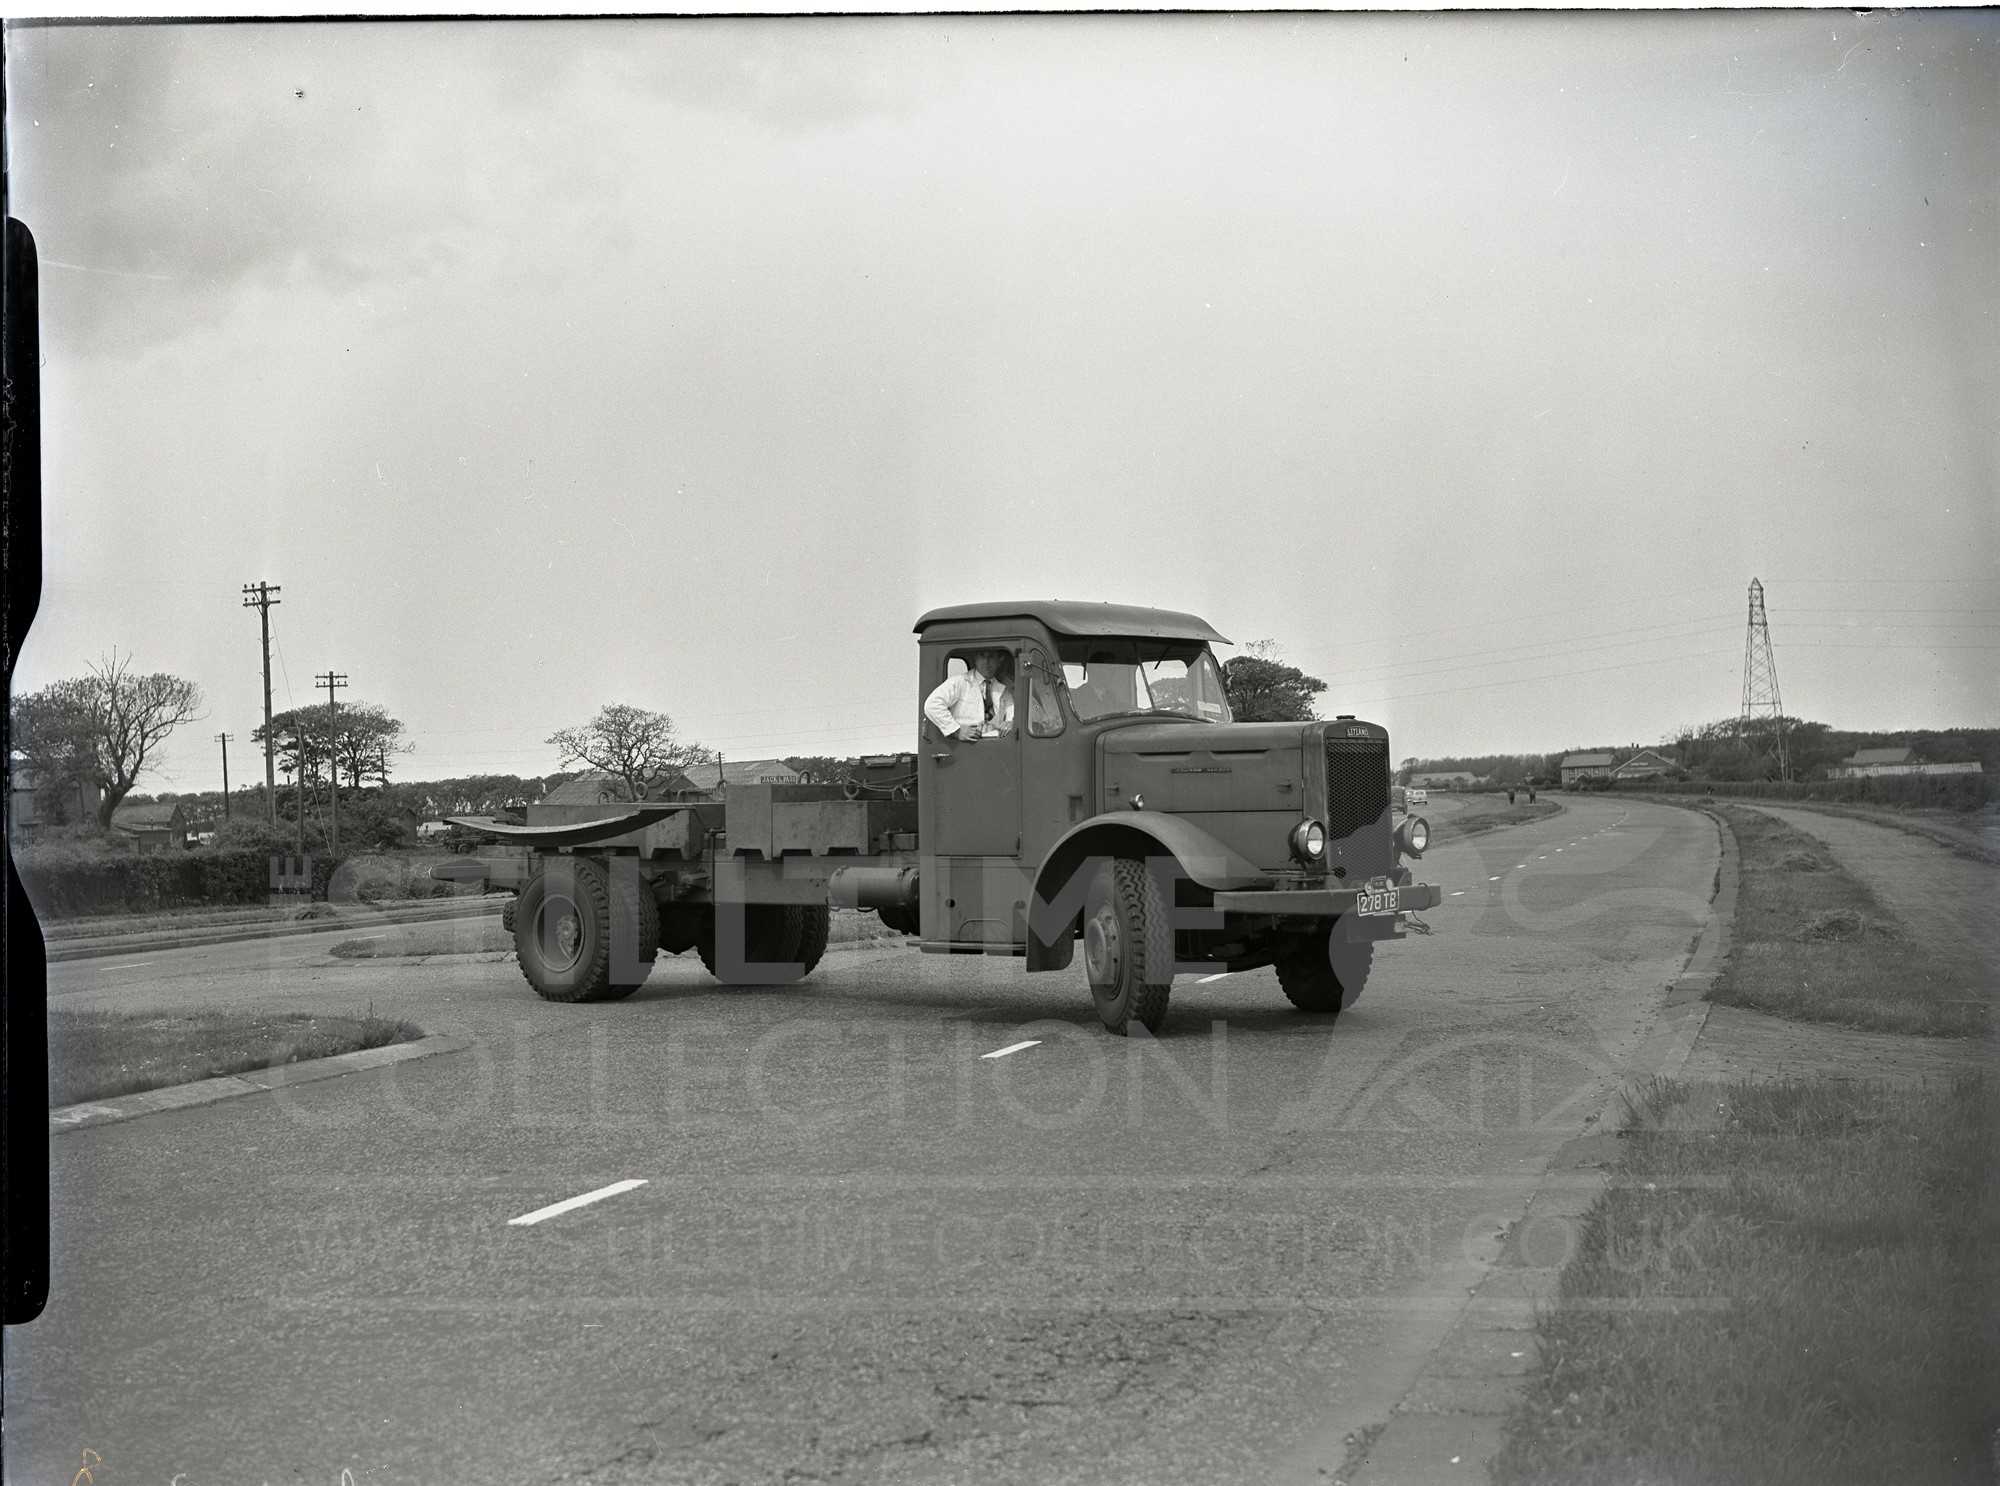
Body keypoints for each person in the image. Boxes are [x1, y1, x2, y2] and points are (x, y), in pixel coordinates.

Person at [924, 650, 1008, 743]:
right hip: (964, 749)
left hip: (996, 746)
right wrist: (957, 731)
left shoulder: (1004, 690)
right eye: (982, 656)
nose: (986, 661)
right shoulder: (959, 682)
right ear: (975, 659)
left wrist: (1011, 723)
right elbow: (932, 705)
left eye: (991, 656)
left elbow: (1012, 714)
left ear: (999, 661)